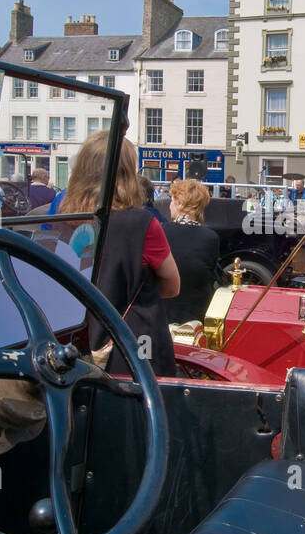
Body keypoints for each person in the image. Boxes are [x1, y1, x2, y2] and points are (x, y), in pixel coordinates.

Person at [59, 132, 180, 377]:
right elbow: (172, 286)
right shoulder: (141, 223)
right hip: (132, 342)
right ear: (127, 174)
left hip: (69, 342)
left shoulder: (57, 219)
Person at [161, 178, 220, 324]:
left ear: (180, 204)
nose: (170, 205)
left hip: (165, 312)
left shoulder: (161, 232)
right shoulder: (211, 237)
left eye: (172, 200)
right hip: (197, 315)